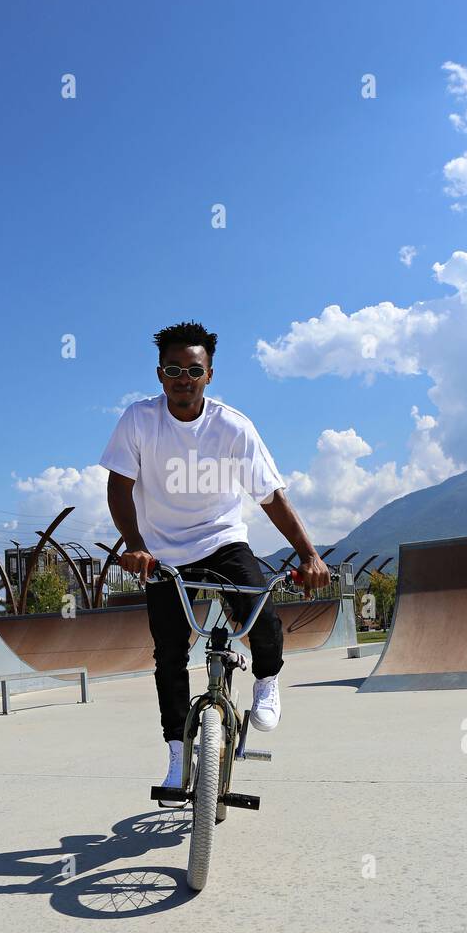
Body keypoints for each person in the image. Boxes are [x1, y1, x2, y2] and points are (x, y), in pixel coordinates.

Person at [99, 321, 330, 797]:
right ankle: (178, 753)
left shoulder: (232, 427)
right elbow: (118, 488)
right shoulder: (139, 420)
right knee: (168, 655)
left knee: (260, 618)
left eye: (194, 370)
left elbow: (270, 496)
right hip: (162, 553)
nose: (184, 378)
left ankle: (266, 682)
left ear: (210, 374)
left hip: (223, 541)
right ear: (160, 375)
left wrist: (309, 555)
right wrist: (135, 545)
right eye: (173, 369)